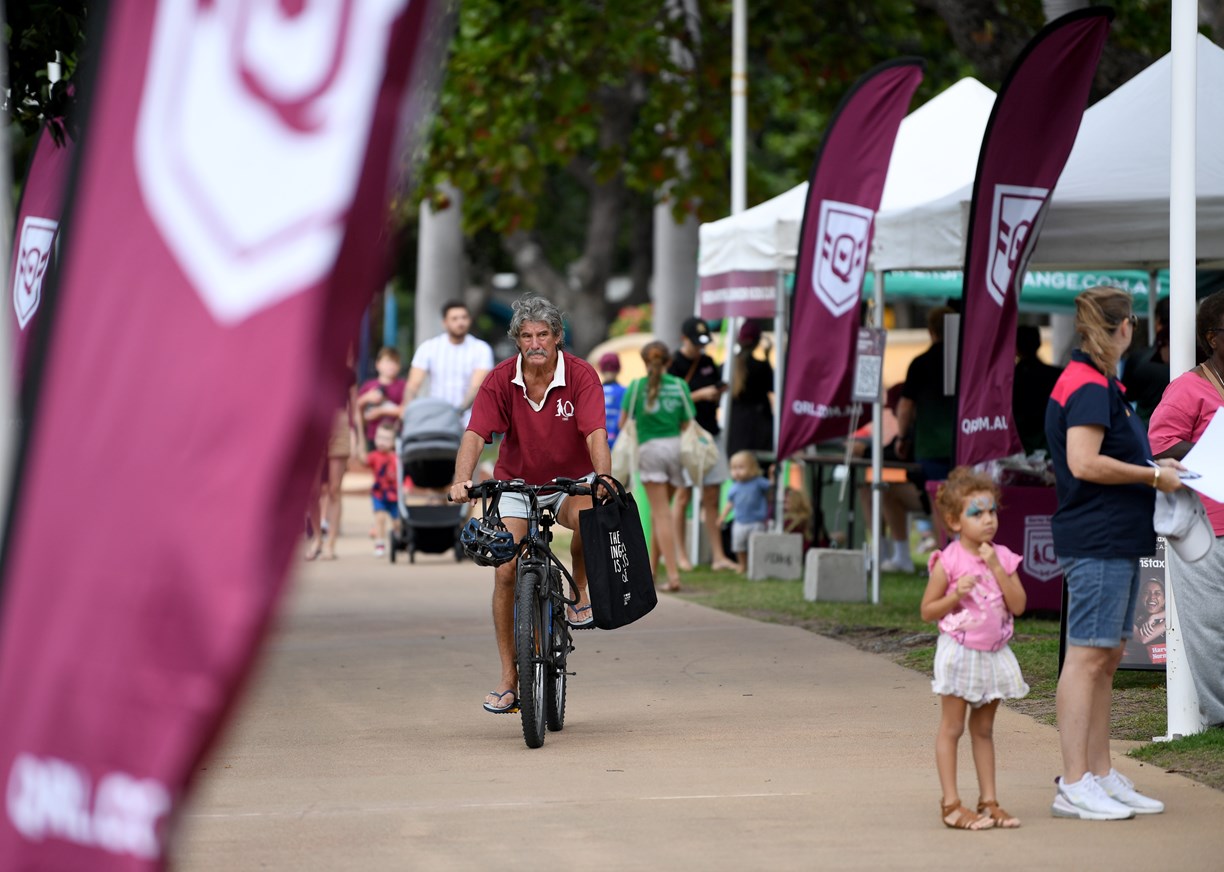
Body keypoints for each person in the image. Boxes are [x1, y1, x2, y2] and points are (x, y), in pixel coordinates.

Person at [1045, 286, 1184, 820]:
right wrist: (1154, 474)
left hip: (1113, 537)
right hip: (1097, 538)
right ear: (1124, 327)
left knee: (1103, 658)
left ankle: (1098, 773)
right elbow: (1083, 462)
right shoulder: (1086, 385)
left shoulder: (1099, 382)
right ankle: (1075, 780)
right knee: (1087, 657)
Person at [449, 295, 610, 715]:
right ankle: (508, 679)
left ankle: (580, 595)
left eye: (542, 334)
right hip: (517, 485)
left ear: (558, 337)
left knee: (592, 516)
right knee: (505, 570)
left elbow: (595, 432)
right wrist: (461, 479)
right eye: (526, 336)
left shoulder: (581, 375)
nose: (535, 342)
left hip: (569, 483)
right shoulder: (501, 379)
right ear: (517, 340)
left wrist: (603, 479)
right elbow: (474, 433)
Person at [920, 467, 1028, 831]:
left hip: (994, 654)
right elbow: (927, 611)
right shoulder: (947, 561)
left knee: (984, 730)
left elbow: (1019, 605)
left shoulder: (1004, 557)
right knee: (952, 727)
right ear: (953, 520)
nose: (988, 520)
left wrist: (996, 566)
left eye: (992, 511)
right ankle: (951, 804)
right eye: (976, 513)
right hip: (959, 653)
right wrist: (955, 594)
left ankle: (988, 801)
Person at [1148, 288, 1224, 727]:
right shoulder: (1189, 388)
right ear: (1212, 338)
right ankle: (1220, 718)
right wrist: (1213, 449)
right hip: (1205, 528)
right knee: (1211, 627)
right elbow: (1159, 445)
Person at [621, 340, 693, 592]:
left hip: (649, 451)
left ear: (644, 361)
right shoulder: (680, 385)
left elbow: (622, 423)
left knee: (661, 514)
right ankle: (651, 569)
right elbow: (687, 424)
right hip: (676, 450)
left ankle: (673, 576)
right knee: (660, 512)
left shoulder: (637, 386)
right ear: (669, 362)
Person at [669, 317, 737, 571]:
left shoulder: (708, 361)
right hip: (686, 435)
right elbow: (672, 399)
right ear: (684, 339)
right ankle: (680, 554)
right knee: (683, 495)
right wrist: (699, 395)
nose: (701, 348)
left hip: (711, 434)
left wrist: (718, 392)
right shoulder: (674, 365)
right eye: (696, 343)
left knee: (712, 495)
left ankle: (718, 556)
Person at [404, 300, 495, 427]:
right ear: (444, 323)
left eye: (464, 317)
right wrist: (408, 412)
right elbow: (413, 385)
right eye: (454, 318)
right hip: (434, 418)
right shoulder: (428, 347)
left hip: (469, 421)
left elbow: (476, 387)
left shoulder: (481, 349)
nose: (460, 322)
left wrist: (458, 412)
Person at [896, 306, 957, 485]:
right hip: (962, 446)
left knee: (936, 502)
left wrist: (902, 437)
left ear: (931, 331)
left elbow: (905, 407)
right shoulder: (965, 361)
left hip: (930, 448)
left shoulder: (920, 363)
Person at [725, 319, 774, 459]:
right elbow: (773, 387)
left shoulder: (727, 367)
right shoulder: (761, 367)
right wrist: (767, 357)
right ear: (757, 341)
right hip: (759, 428)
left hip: (736, 426)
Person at [719, 451, 772, 574]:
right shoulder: (734, 487)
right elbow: (730, 504)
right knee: (738, 545)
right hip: (739, 522)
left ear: (752, 468)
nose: (737, 471)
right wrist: (722, 516)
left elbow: (771, 487)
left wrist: (771, 475)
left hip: (757, 522)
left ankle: (756, 566)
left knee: (757, 546)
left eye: (741, 467)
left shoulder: (759, 482)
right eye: (733, 468)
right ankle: (742, 565)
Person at [1012, 324, 1062, 455]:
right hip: (1050, 443)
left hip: (1018, 444)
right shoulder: (1056, 375)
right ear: (1039, 343)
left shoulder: (1010, 378)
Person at [1123, 296, 1170, 425]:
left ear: (1158, 321)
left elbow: (1127, 396)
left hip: (1144, 430)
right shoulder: (1199, 361)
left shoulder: (1139, 358)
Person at [357, 347, 406, 449]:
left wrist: (381, 411)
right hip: (372, 436)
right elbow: (355, 406)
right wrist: (366, 398)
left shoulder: (402, 385)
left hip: (394, 437)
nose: (391, 366)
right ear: (378, 364)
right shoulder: (368, 386)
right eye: (388, 362)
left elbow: (405, 410)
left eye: (395, 362)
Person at [367, 419, 400, 558]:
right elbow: (364, 461)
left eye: (386, 439)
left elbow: (405, 475)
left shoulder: (396, 458)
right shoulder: (374, 456)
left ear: (393, 442)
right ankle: (380, 542)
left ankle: (398, 540)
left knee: (397, 522)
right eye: (379, 437)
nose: (382, 441)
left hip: (394, 495)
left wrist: (407, 486)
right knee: (379, 518)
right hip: (379, 494)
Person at [1125, 579, 1166, 664]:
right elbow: (1142, 638)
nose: (1152, 597)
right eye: (1146, 593)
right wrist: (1171, 621)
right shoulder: (1130, 615)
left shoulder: (1170, 613)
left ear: (1164, 600)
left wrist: (1155, 617)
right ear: (1140, 598)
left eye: (1157, 593)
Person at [598, 352, 627, 448]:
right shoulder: (625, 392)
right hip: (619, 445)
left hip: (598, 445)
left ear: (601, 370)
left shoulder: (593, 391)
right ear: (619, 369)